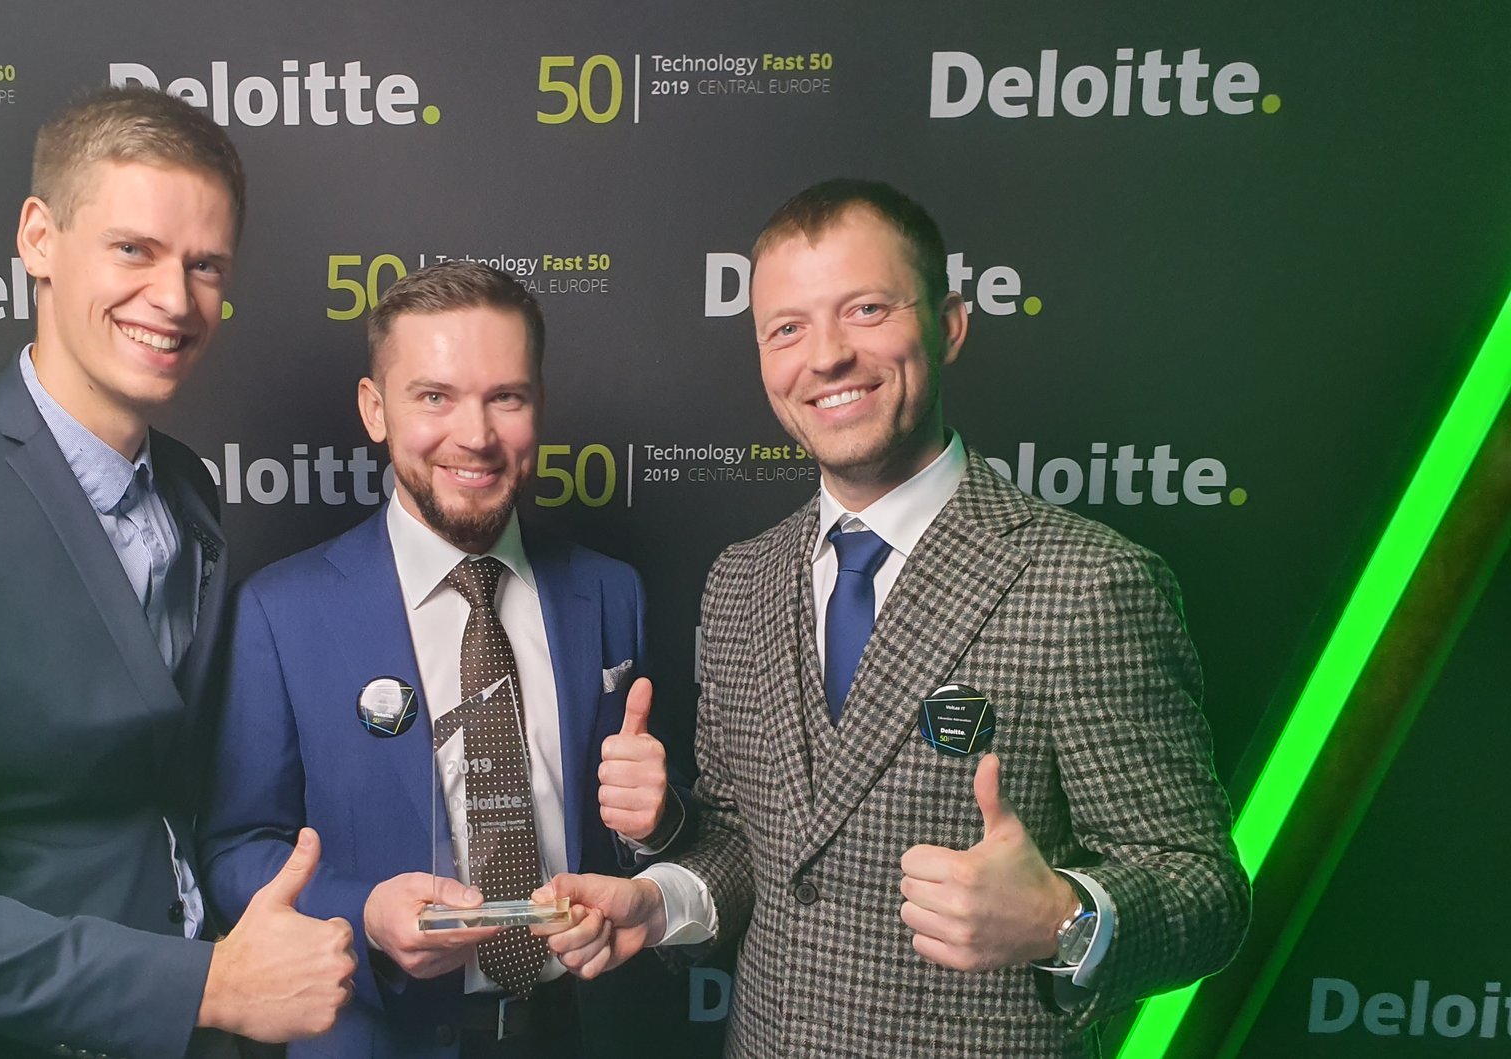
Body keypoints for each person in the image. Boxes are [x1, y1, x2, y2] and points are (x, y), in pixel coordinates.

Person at [532, 179, 1250, 1057]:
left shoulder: (1087, 582)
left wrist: (1063, 916)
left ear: (949, 325)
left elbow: (1205, 890)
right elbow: (749, 846)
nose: (827, 356)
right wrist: (661, 899)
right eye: (787, 328)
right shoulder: (742, 582)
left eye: (866, 309)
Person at [0, 86, 354, 1059]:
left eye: (204, 265)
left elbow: (153, 794)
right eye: (133, 249)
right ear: (39, 239)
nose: (174, 299)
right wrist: (200, 985)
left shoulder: (187, 490)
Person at [200, 261, 688, 1057]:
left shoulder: (610, 593)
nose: (476, 435)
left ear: (538, 405)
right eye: (434, 396)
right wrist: (364, 913)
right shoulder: (281, 611)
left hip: (577, 1032)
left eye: (506, 397)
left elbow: (669, 836)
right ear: (375, 409)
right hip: (377, 1037)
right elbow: (233, 849)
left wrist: (657, 823)